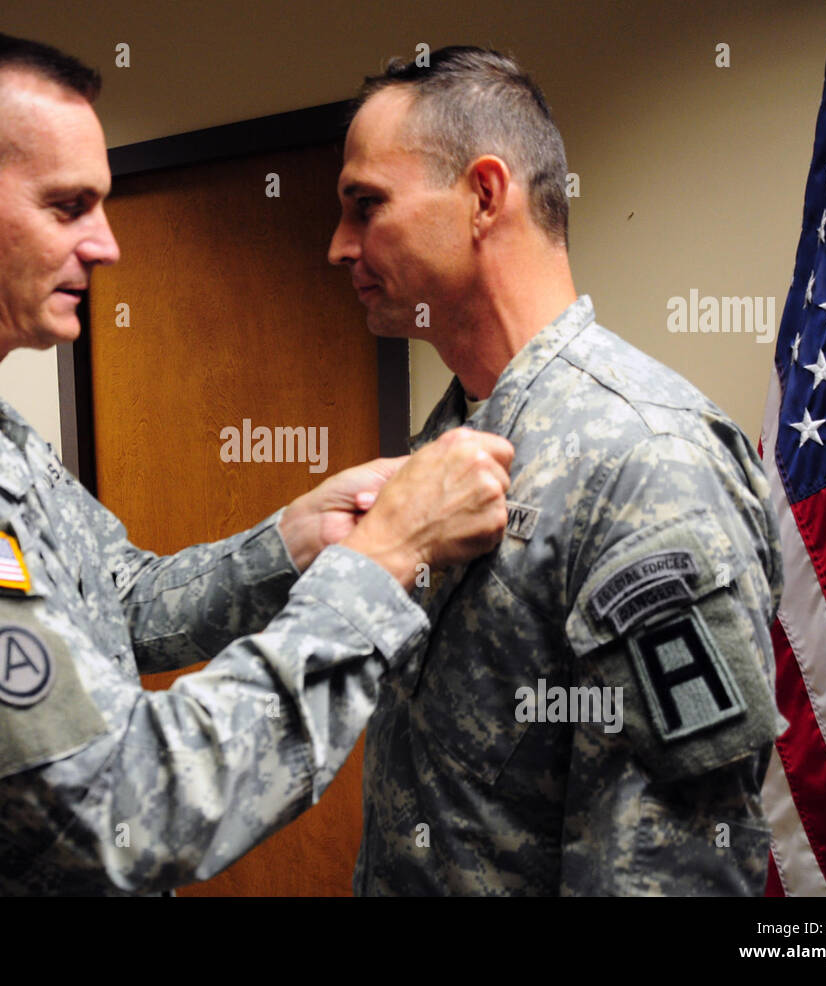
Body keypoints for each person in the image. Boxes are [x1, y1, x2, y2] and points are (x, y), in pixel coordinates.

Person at [0, 31, 513, 896]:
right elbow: (124, 809)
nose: (106, 245)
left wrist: (292, 545)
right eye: (67, 206)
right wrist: (379, 563)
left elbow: (114, 601)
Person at [329, 46, 785, 895]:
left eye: (366, 206)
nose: (338, 247)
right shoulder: (447, 443)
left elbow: (672, 867)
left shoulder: (647, 460)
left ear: (484, 196)